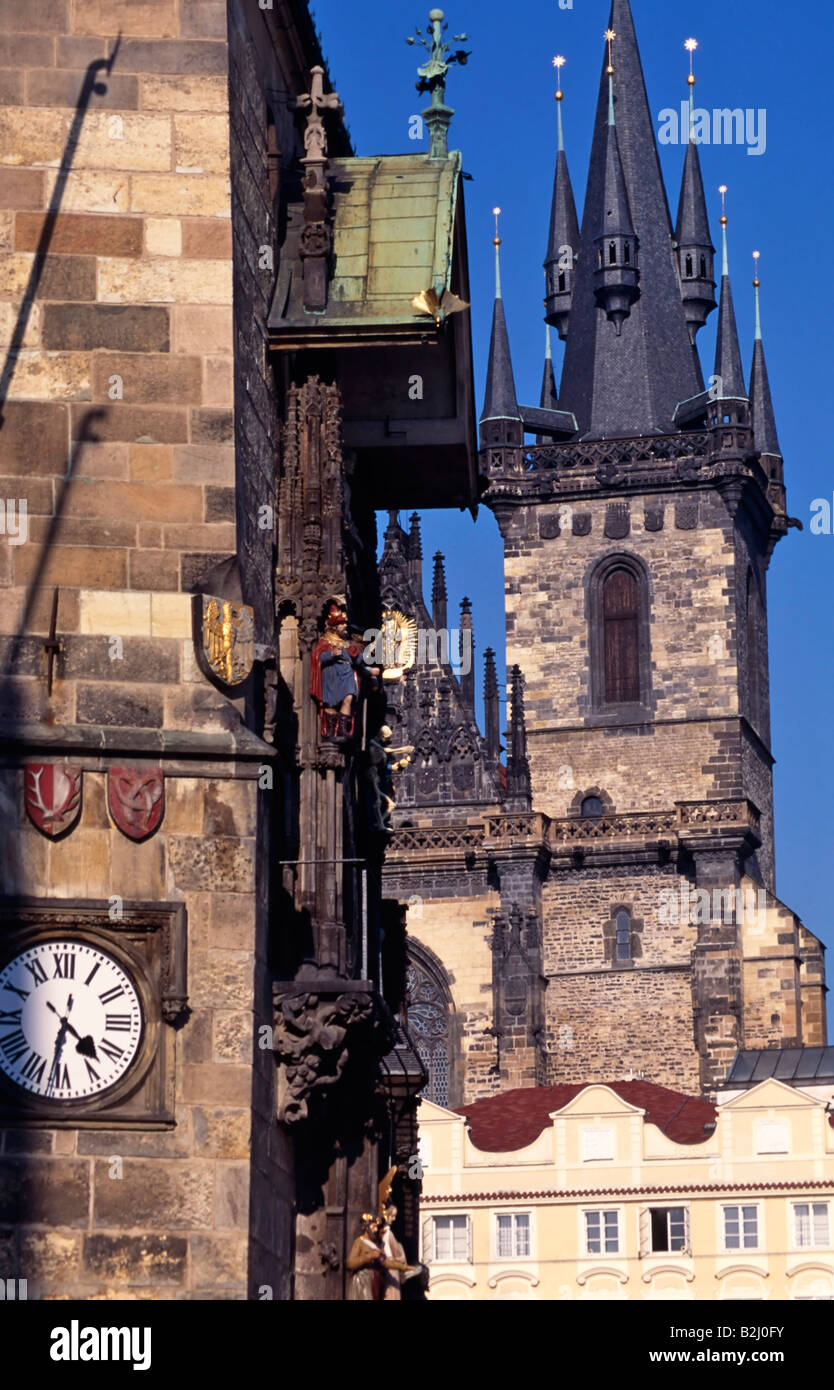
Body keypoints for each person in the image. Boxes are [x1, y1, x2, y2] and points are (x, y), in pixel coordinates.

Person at [346, 1214, 386, 1301]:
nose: (376, 1230)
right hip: (362, 1282)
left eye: (377, 1227)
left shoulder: (377, 1244)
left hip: (375, 1282)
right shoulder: (359, 1242)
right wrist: (369, 1256)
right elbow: (350, 1263)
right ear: (367, 1227)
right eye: (374, 1226)